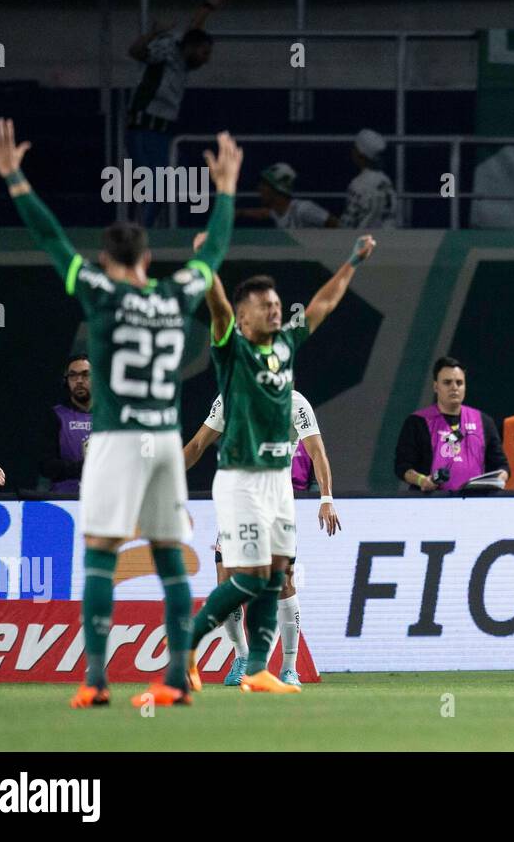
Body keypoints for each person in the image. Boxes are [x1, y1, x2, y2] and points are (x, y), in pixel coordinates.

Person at [0, 118, 236, 709]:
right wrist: (224, 189)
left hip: (117, 440)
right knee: (171, 559)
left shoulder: (97, 289)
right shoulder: (176, 296)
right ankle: (177, 676)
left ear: (106, 257)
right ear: (148, 258)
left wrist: (14, 178)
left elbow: (50, 240)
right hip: (164, 443)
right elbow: (217, 250)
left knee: (100, 553)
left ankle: (95, 679)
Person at [186, 234, 375, 695]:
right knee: (245, 578)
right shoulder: (231, 352)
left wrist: (351, 261)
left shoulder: (286, 348)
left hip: (278, 487)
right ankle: (185, 648)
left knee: (274, 577)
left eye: (277, 303)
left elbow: (322, 307)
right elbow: (217, 306)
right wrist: (205, 261)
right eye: (265, 305)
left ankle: (258, 670)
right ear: (243, 314)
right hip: (241, 483)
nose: (275, 309)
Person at [125, 0, 221, 228]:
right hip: (144, 129)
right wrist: (153, 33)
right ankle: (140, 233)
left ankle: (149, 227)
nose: (206, 60)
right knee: (158, 187)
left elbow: (194, 30)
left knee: (181, 178)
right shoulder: (166, 50)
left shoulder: (186, 52)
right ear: (191, 47)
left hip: (162, 134)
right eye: (204, 53)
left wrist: (206, 8)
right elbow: (135, 51)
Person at [395, 357, 509, 492]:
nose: (454, 387)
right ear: (436, 386)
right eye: (447, 382)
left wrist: (501, 477)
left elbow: (501, 465)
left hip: (473, 504)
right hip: (429, 503)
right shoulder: (417, 422)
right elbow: (402, 466)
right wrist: (421, 480)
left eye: (459, 383)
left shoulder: (484, 422)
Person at [40, 354, 93, 493]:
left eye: (85, 374)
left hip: (106, 499)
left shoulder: (109, 416)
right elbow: (46, 466)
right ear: (66, 381)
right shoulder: (56, 416)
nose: (79, 381)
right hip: (67, 501)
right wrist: (83, 468)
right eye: (73, 375)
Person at [236, 163, 338, 229]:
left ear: (277, 189)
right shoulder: (277, 212)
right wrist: (240, 212)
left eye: (264, 185)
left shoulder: (303, 209)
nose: (259, 188)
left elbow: (337, 224)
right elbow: (264, 213)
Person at [342, 129, 400, 229]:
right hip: (388, 239)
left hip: (365, 241)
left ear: (360, 155)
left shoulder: (358, 185)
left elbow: (347, 225)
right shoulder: (386, 182)